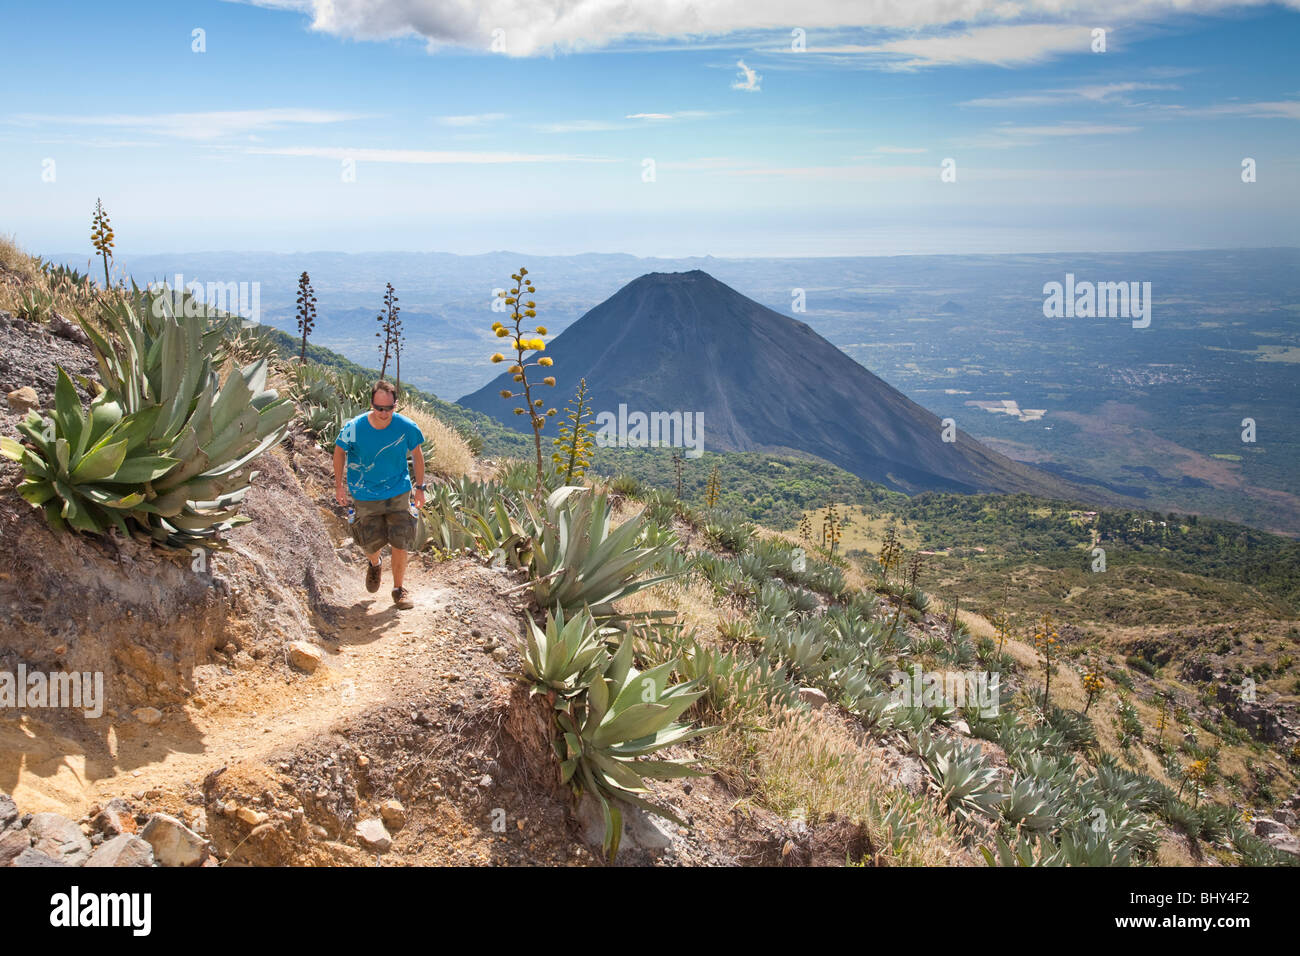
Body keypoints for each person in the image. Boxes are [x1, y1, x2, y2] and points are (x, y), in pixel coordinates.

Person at [333, 381, 426, 609]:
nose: (384, 413)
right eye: (378, 408)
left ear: (396, 405)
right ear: (371, 404)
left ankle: (398, 589)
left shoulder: (406, 426)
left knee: (400, 540)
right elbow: (339, 451)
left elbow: (417, 453)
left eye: (389, 408)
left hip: (398, 491)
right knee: (369, 543)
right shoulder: (354, 427)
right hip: (365, 494)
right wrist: (338, 485)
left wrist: (420, 488)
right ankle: (374, 563)